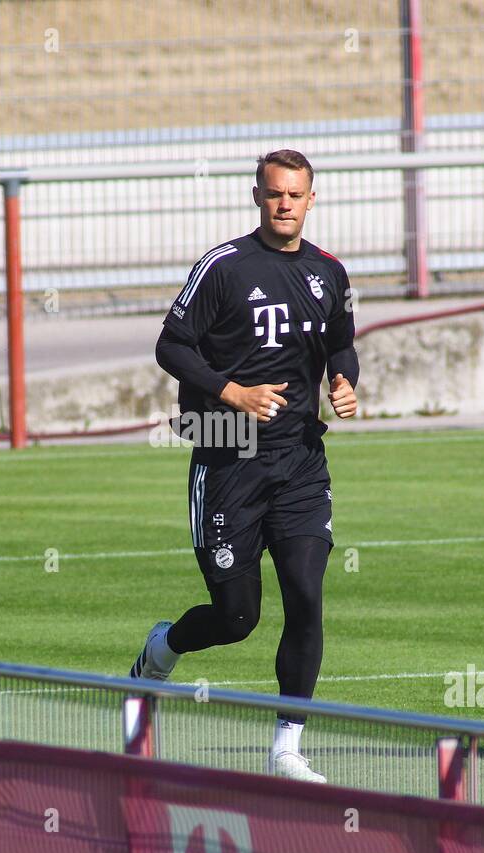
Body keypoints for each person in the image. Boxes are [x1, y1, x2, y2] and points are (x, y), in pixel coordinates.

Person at [129, 149, 359, 783]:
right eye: (274, 194)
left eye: (296, 194)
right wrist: (232, 394)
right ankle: (162, 648)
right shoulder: (223, 268)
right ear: (257, 197)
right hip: (229, 458)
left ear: (312, 200)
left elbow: (340, 341)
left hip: (300, 462)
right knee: (237, 618)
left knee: (307, 596)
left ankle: (287, 746)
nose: (285, 204)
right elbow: (169, 344)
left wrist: (344, 380)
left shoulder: (329, 272)